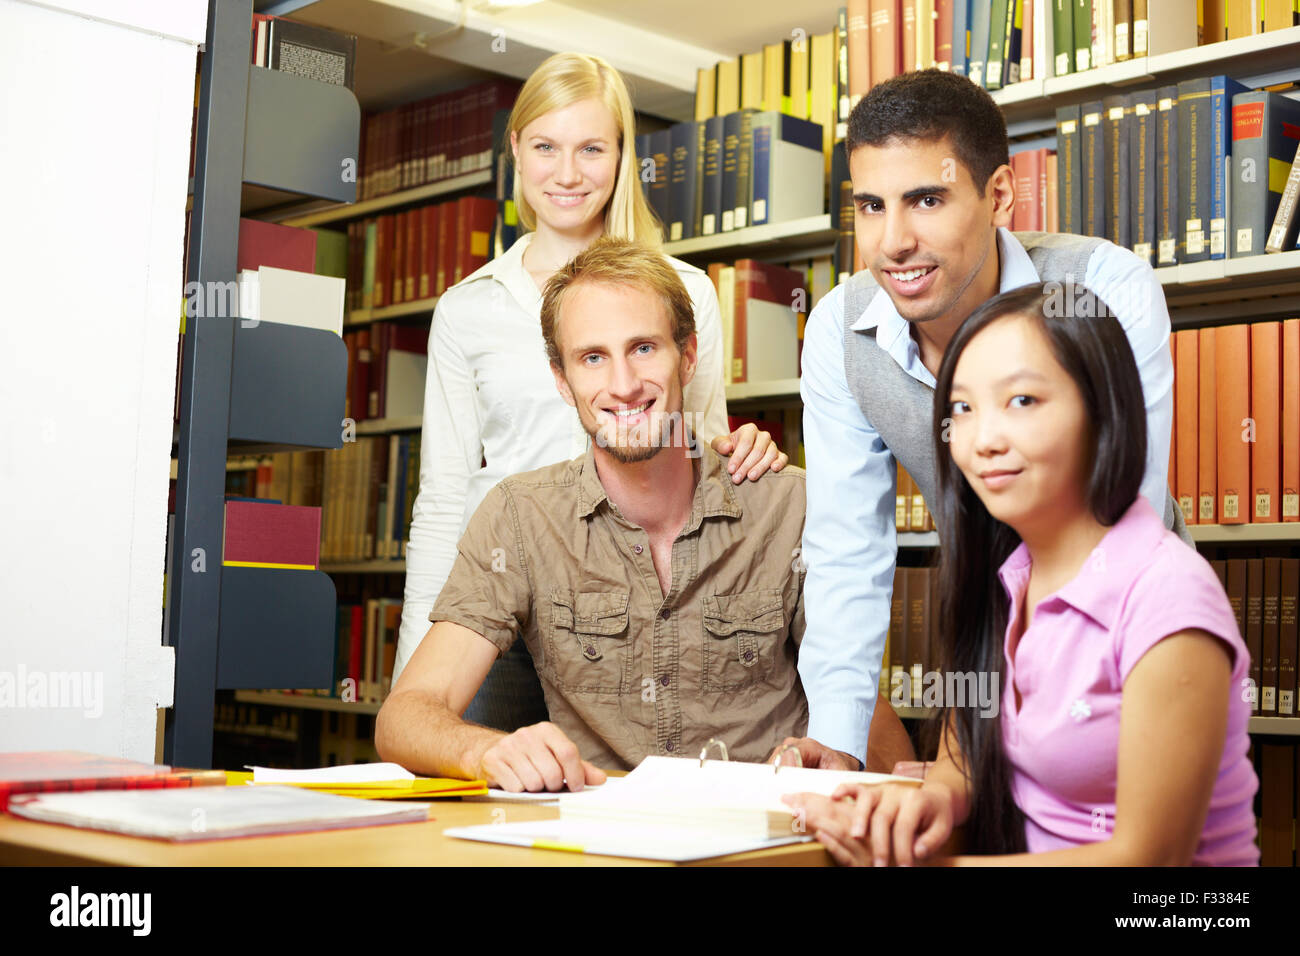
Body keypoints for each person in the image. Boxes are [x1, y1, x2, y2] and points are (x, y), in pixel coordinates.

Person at [375, 238, 913, 789]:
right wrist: (486, 752)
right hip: (604, 841)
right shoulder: (518, 518)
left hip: (763, 836)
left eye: (643, 348)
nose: (624, 385)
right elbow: (406, 714)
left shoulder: (788, 505)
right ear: (562, 380)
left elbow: (866, 717)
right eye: (592, 358)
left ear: (688, 355)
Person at [784, 69, 1189, 773]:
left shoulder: (1102, 289)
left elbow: (1122, 519)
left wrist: (998, 750)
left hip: (1131, 630)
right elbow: (847, 550)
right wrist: (839, 747)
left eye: (927, 200)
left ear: (999, 194)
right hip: (979, 629)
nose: (893, 242)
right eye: (871, 207)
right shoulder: (838, 332)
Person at [785, 284, 1259, 866]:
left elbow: (1147, 862)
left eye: (1023, 401)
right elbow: (964, 762)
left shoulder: (1166, 594)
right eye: (962, 408)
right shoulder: (1006, 575)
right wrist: (928, 802)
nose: (984, 440)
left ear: (1102, 408)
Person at [394, 53, 787, 729]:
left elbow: (704, 449)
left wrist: (748, 450)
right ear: (515, 149)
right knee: (481, 805)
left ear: (622, 155)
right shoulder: (469, 308)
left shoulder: (685, 292)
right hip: (501, 612)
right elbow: (443, 495)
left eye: (591, 148)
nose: (568, 173)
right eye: (546, 146)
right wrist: (414, 687)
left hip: (641, 605)